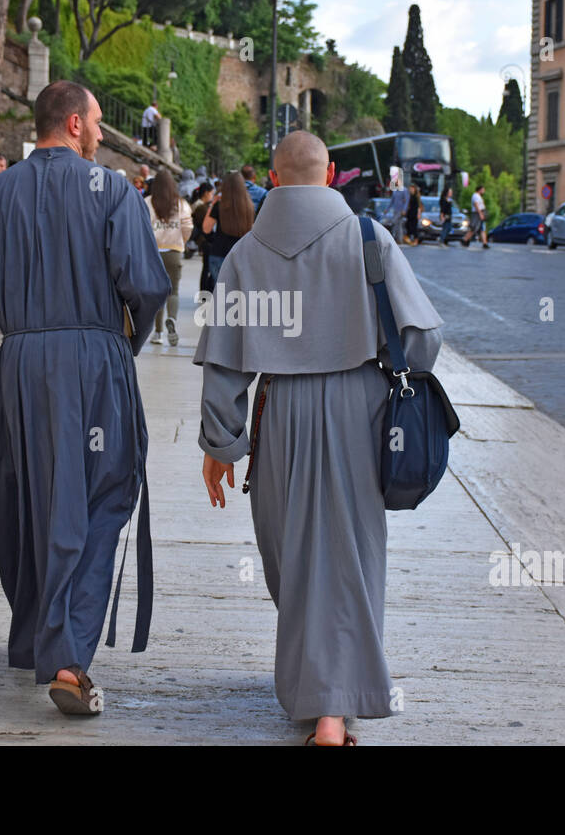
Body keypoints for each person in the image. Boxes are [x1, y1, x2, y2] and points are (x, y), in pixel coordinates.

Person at [195, 130, 444, 746]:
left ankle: (324, 698)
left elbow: (225, 364)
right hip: (360, 407)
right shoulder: (368, 238)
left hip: (278, 412)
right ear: (331, 173)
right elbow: (422, 340)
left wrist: (220, 445)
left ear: (274, 179)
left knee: (295, 553)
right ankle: (334, 705)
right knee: (352, 553)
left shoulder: (246, 255)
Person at [0, 80, 170, 716]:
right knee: (99, 494)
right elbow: (145, 286)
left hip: (21, 362)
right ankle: (69, 657)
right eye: (98, 122)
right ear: (74, 124)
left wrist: (25, 323)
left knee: (28, 497)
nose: (102, 134)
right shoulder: (112, 192)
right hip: (93, 359)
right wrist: (114, 339)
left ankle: (36, 638)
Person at [146, 169, 193, 346]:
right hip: (174, 252)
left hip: (153, 253)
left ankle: (157, 332)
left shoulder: (147, 203)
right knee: (173, 291)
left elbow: (141, 228)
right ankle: (172, 319)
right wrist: (181, 241)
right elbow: (188, 227)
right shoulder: (181, 204)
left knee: (157, 293)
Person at [201, 171, 254, 284]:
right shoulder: (249, 206)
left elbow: (206, 228)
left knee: (222, 293)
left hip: (219, 252)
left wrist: (212, 205)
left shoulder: (220, 205)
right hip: (242, 255)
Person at [388, 167, 408, 244]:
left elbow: (406, 201)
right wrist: (387, 209)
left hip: (400, 210)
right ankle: (399, 239)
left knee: (393, 222)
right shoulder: (395, 191)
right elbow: (392, 201)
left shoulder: (404, 190)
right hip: (395, 210)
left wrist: (404, 210)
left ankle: (394, 237)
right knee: (398, 225)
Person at [468, 184, 489, 249]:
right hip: (477, 214)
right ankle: (465, 240)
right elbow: (476, 205)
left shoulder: (478, 196)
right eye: (483, 190)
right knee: (474, 228)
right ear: (480, 190)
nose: (484, 191)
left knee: (482, 228)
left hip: (480, 213)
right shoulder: (476, 196)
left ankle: (485, 243)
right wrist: (480, 214)